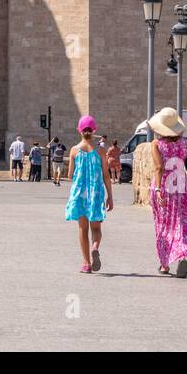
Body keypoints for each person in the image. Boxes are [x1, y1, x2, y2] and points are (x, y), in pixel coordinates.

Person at [147, 107, 187, 278]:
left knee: (164, 225)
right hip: (182, 188)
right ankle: (182, 256)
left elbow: (158, 168)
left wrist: (157, 190)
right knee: (183, 223)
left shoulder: (156, 144)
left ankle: (164, 264)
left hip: (164, 187)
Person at [65, 116, 112, 272]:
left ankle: (86, 263)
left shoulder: (74, 150)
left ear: (79, 130)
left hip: (79, 194)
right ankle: (95, 246)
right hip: (95, 193)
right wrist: (110, 196)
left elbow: (70, 175)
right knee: (96, 229)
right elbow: (106, 175)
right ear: (94, 131)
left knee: (82, 229)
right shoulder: (101, 151)